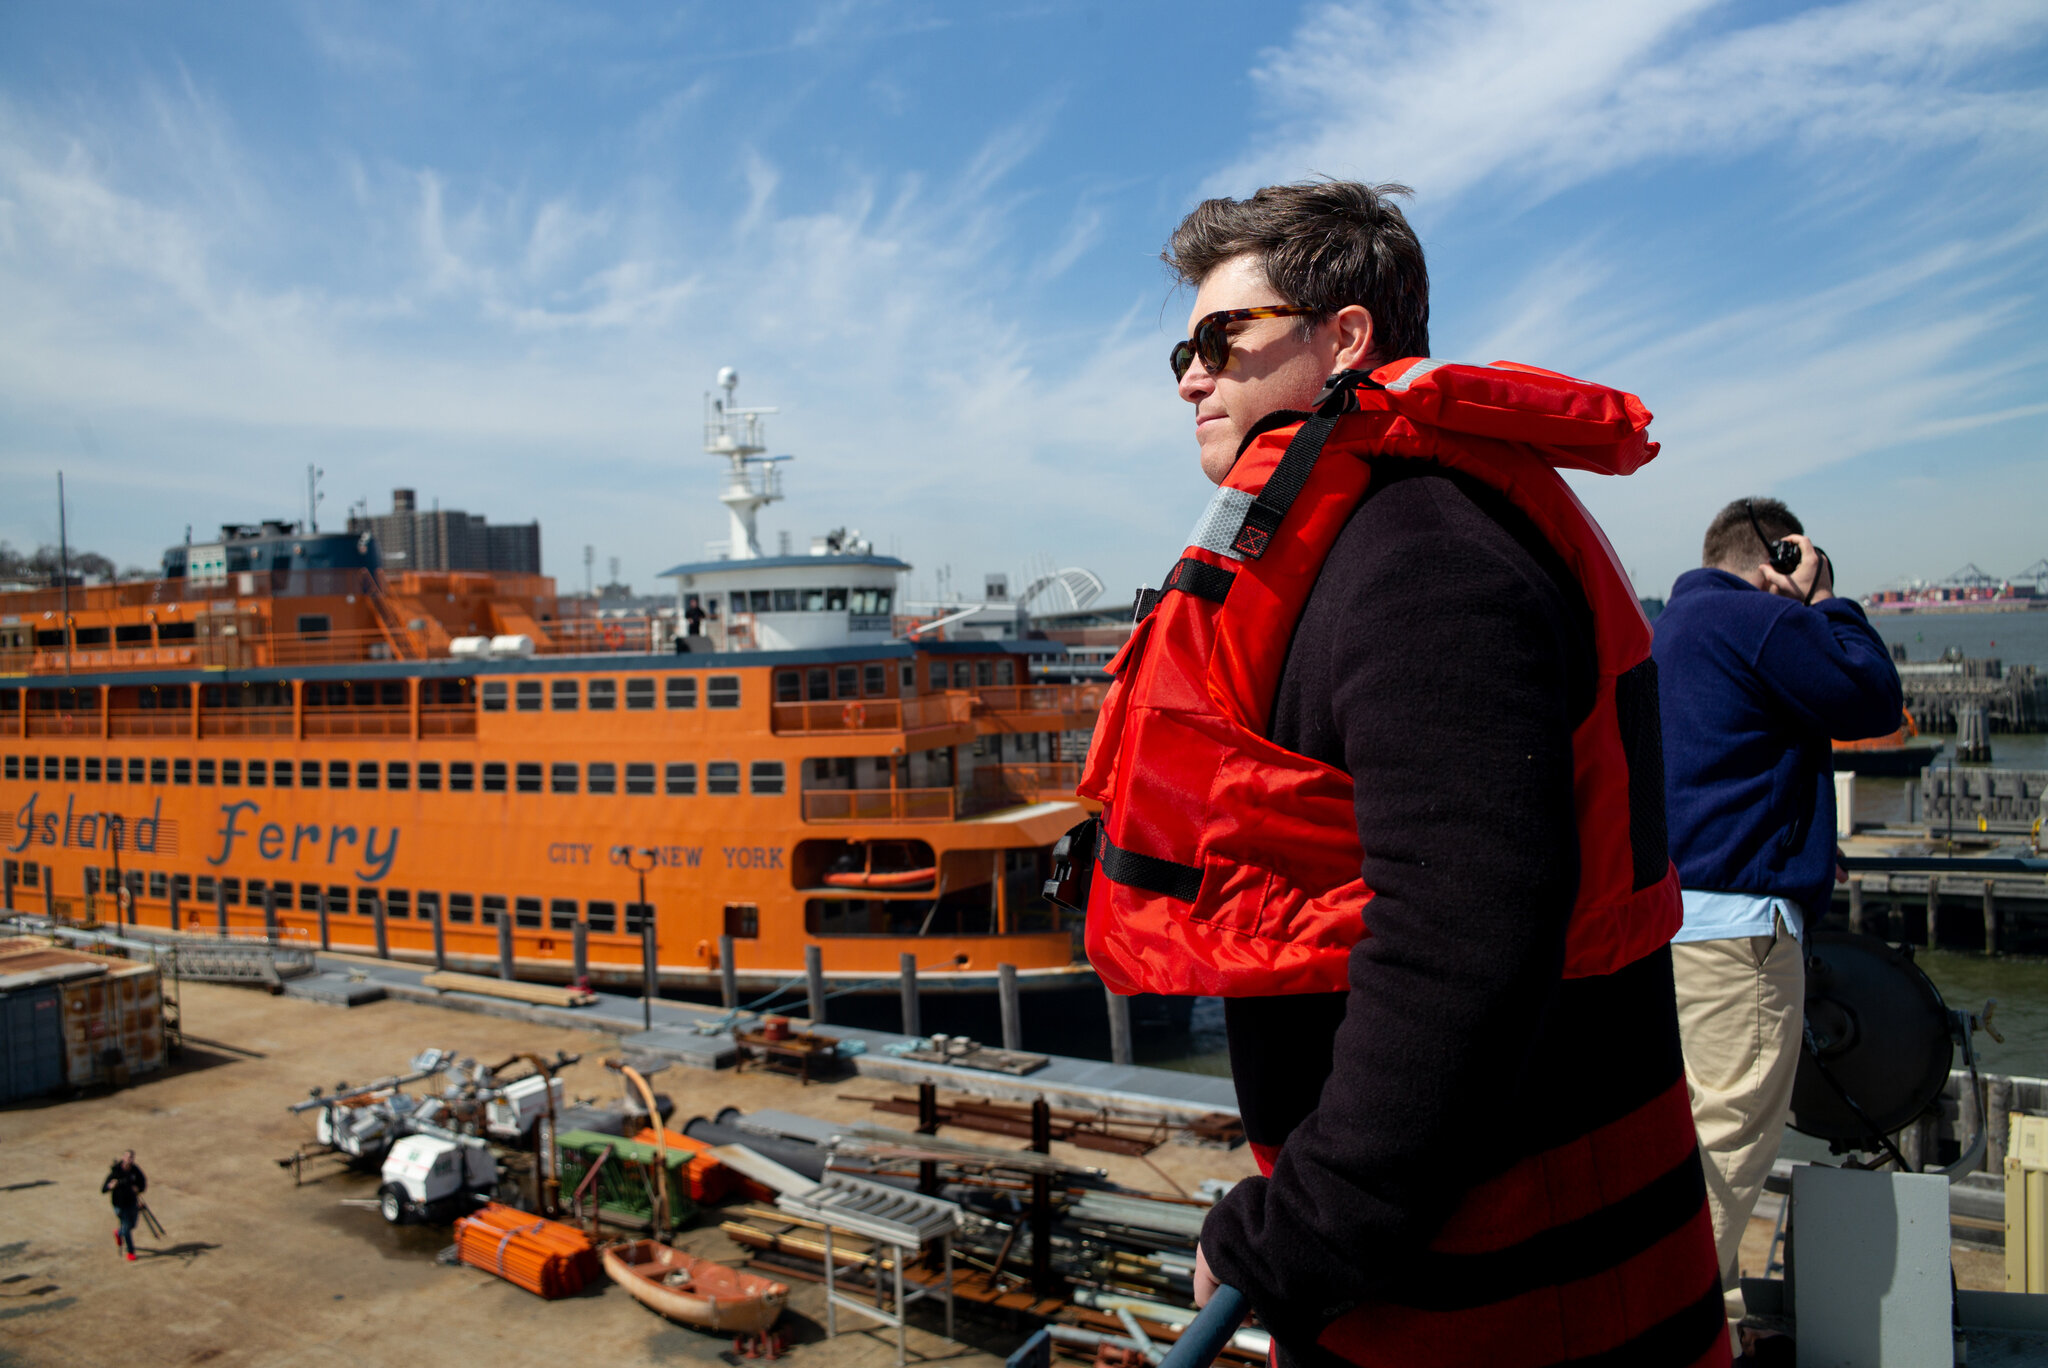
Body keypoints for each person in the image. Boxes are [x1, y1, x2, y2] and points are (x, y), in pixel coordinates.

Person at [1072, 181, 1727, 1367]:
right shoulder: (1378, 532)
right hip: (1448, 1238)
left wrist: (1298, 1231)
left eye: (1223, 338)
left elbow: (1462, 936)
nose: (1187, 378)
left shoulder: (1424, 559)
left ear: (1345, 339)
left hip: (1508, 1271)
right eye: (1184, 347)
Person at [1653, 498, 1902, 1340]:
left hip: (1666, 925)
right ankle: (1680, 1332)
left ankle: (1684, 1319)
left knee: (1681, 1137)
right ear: (1778, 555)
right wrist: (1826, 596)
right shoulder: (1761, 620)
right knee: (1726, 1148)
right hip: (1741, 932)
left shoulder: (1668, 630)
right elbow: (1872, 699)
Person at [103, 1150, 147, 1261]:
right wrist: (110, 1186)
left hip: (132, 1203)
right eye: (127, 1157)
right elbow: (103, 1189)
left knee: (132, 1225)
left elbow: (142, 1182)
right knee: (127, 1228)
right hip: (120, 1205)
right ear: (123, 1158)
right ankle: (131, 1251)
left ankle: (119, 1232)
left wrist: (139, 1189)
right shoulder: (116, 1172)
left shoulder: (135, 1170)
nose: (129, 1160)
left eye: (131, 1158)